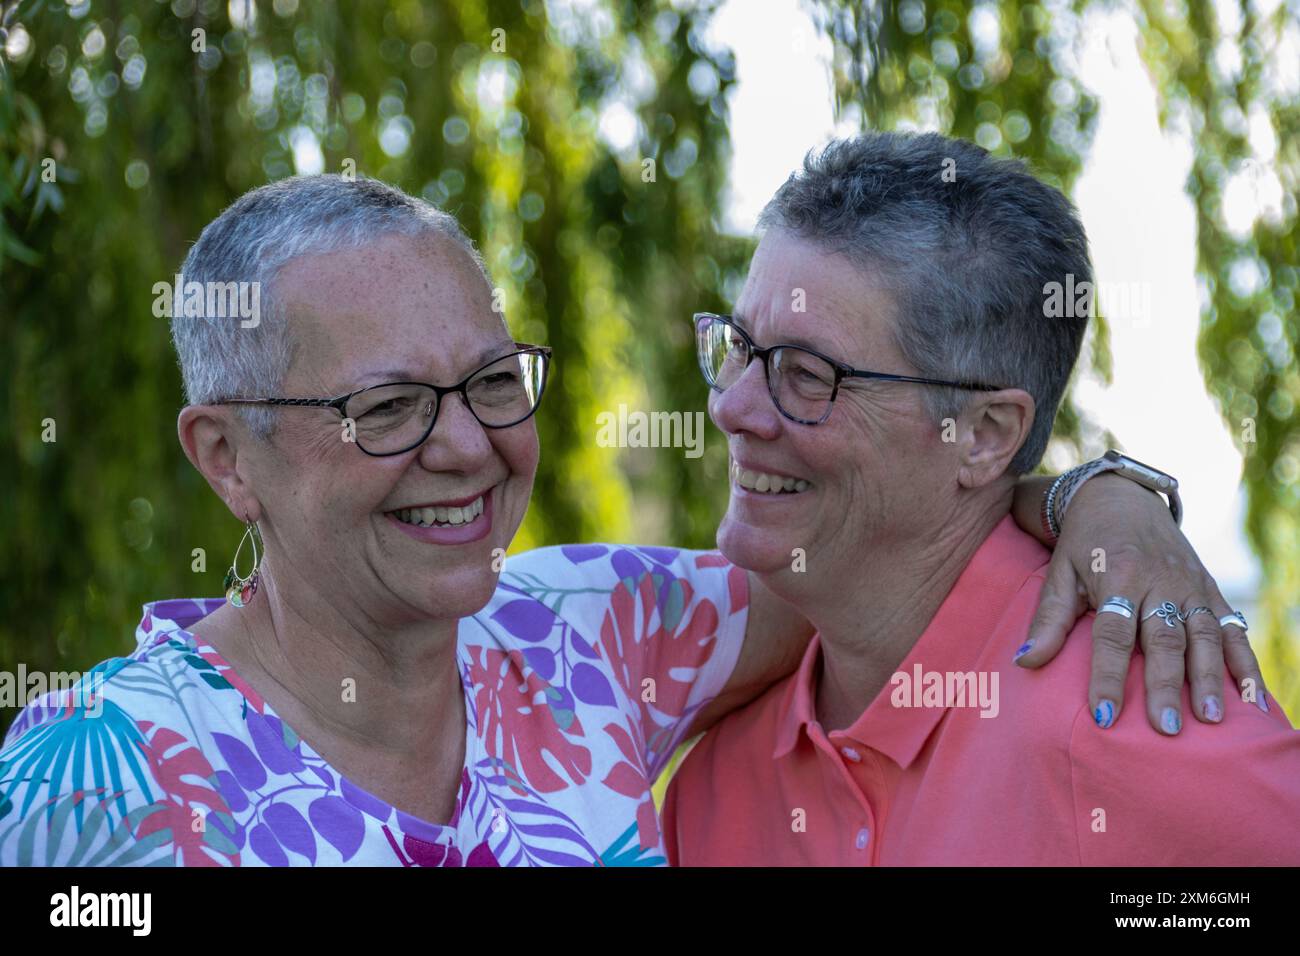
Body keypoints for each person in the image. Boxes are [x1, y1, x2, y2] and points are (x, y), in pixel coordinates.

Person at [0, 174, 1249, 866]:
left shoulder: (583, 637)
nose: (466, 443)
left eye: (492, 380)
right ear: (227, 455)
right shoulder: (91, 773)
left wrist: (1100, 492)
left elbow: (883, 540)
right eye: (385, 406)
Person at [662, 132, 1300, 866]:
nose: (732, 408)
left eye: (807, 374)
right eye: (739, 347)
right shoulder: (714, 787)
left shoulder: (1131, 721)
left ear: (984, 435)